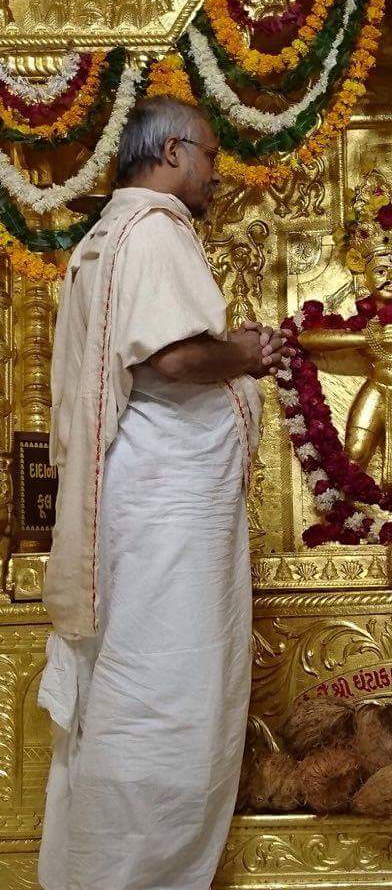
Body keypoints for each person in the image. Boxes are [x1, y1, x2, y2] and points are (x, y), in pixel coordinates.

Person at [36, 95, 290, 890]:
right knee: (171, 695)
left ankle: (101, 869)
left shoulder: (109, 234)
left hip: (147, 508)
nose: (217, 173)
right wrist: (245, 353)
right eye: (211, 157)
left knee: (137, 683)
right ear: (174, 151)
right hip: (166, 515)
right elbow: (171, 361)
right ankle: (136, 874)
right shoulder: (153, 230)